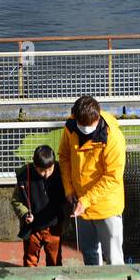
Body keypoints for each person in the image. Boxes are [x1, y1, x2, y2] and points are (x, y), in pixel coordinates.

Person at [58, 95, 126, 266]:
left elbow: (112, 177)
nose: (84, 129)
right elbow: (64, 157)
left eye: (88, 126)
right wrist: (69, 190)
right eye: (81, 125)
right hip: (80, 206)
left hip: (106, 207)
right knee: (89, 254)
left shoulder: (113, 138)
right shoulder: (71, 126)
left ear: (97, 118)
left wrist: (86, 200)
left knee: (114, 259)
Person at [12, 143, 66, 267]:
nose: (46, 174)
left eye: (49, 169)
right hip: (32, 228)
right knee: (30, 261)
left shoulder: (61, 172)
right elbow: (16, 200)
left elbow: (68, 194)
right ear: (34, 165)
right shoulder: (25, 176)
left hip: (54, 226)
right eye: (42, 170)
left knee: (55, 260)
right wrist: (25, 213)